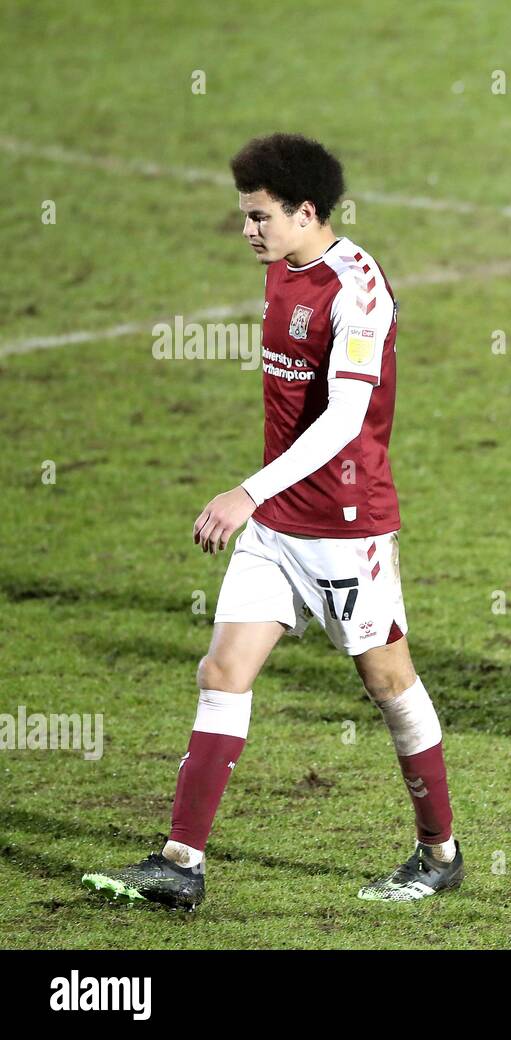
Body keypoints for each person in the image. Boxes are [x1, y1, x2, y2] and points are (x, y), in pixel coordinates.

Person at [82, 133, 462, 906]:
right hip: (276, 526)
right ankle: (180, 864)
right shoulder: (282, 270)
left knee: (389, 684)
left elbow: (345, 418)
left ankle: (439, 851)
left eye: (259, 217)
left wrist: (248, 491)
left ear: (306, 212)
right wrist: (265, 503)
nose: (247, 230)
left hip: (348, 527)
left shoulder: (356, 290)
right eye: (244, 216)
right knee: (222, 673)